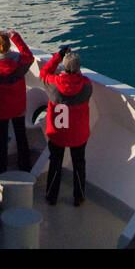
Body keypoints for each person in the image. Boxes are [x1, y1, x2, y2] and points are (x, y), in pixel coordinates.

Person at [40, 46, 92, 207]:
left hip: (57, 132)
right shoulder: (86, 85)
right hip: (78, 134)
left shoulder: (54, 84)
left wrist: (57, 56)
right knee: (79, 165)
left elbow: (44, 73)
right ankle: (79, 197)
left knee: (55, 163)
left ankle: (51, 196)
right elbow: (83, 84)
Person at [0, 28, 35, 178]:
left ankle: (0, 171)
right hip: (17, 106)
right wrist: (15, 36)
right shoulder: (19, 64)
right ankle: (25, 168)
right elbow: (29, 56)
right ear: (9, 46)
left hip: (0, 108)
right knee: (21, 136)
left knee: (1, 140)